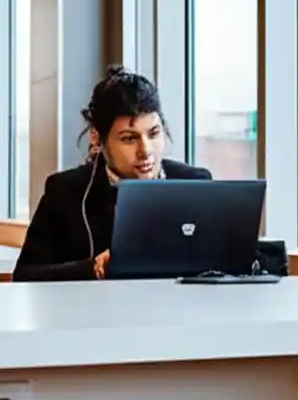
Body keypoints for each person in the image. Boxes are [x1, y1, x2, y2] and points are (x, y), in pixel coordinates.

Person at [13, 66, 212, 281]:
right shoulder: (65, 192)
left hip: (177, 311)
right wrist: (94, 269)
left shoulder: (195, 183)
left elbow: (231, 260)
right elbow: (26, 275)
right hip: (94, 312)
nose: (146, 151)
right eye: (129, 138)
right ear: (97, 139)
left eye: (153, 134)